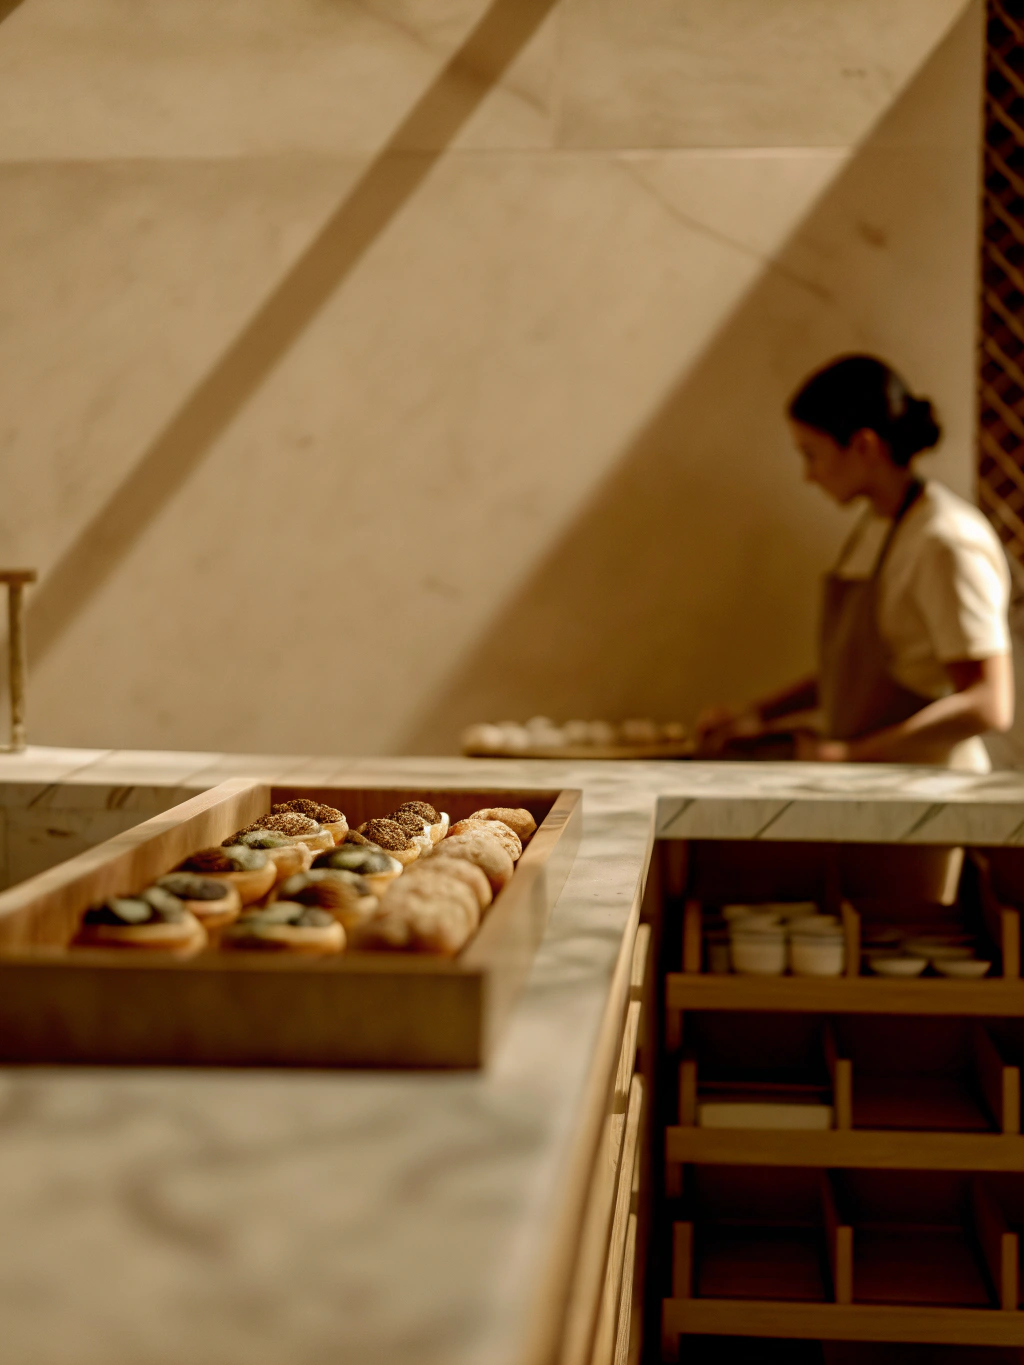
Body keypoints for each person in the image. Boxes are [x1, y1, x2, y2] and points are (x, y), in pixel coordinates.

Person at [696, 354, 1014, 771]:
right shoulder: (877, 527)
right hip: (875, 790)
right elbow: (856, 675)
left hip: (930, 795)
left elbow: (989, 704)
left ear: (864, 446)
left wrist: (849, 755)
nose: (808, 475)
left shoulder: (945, 542)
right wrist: (758, 714)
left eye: (811, 454)